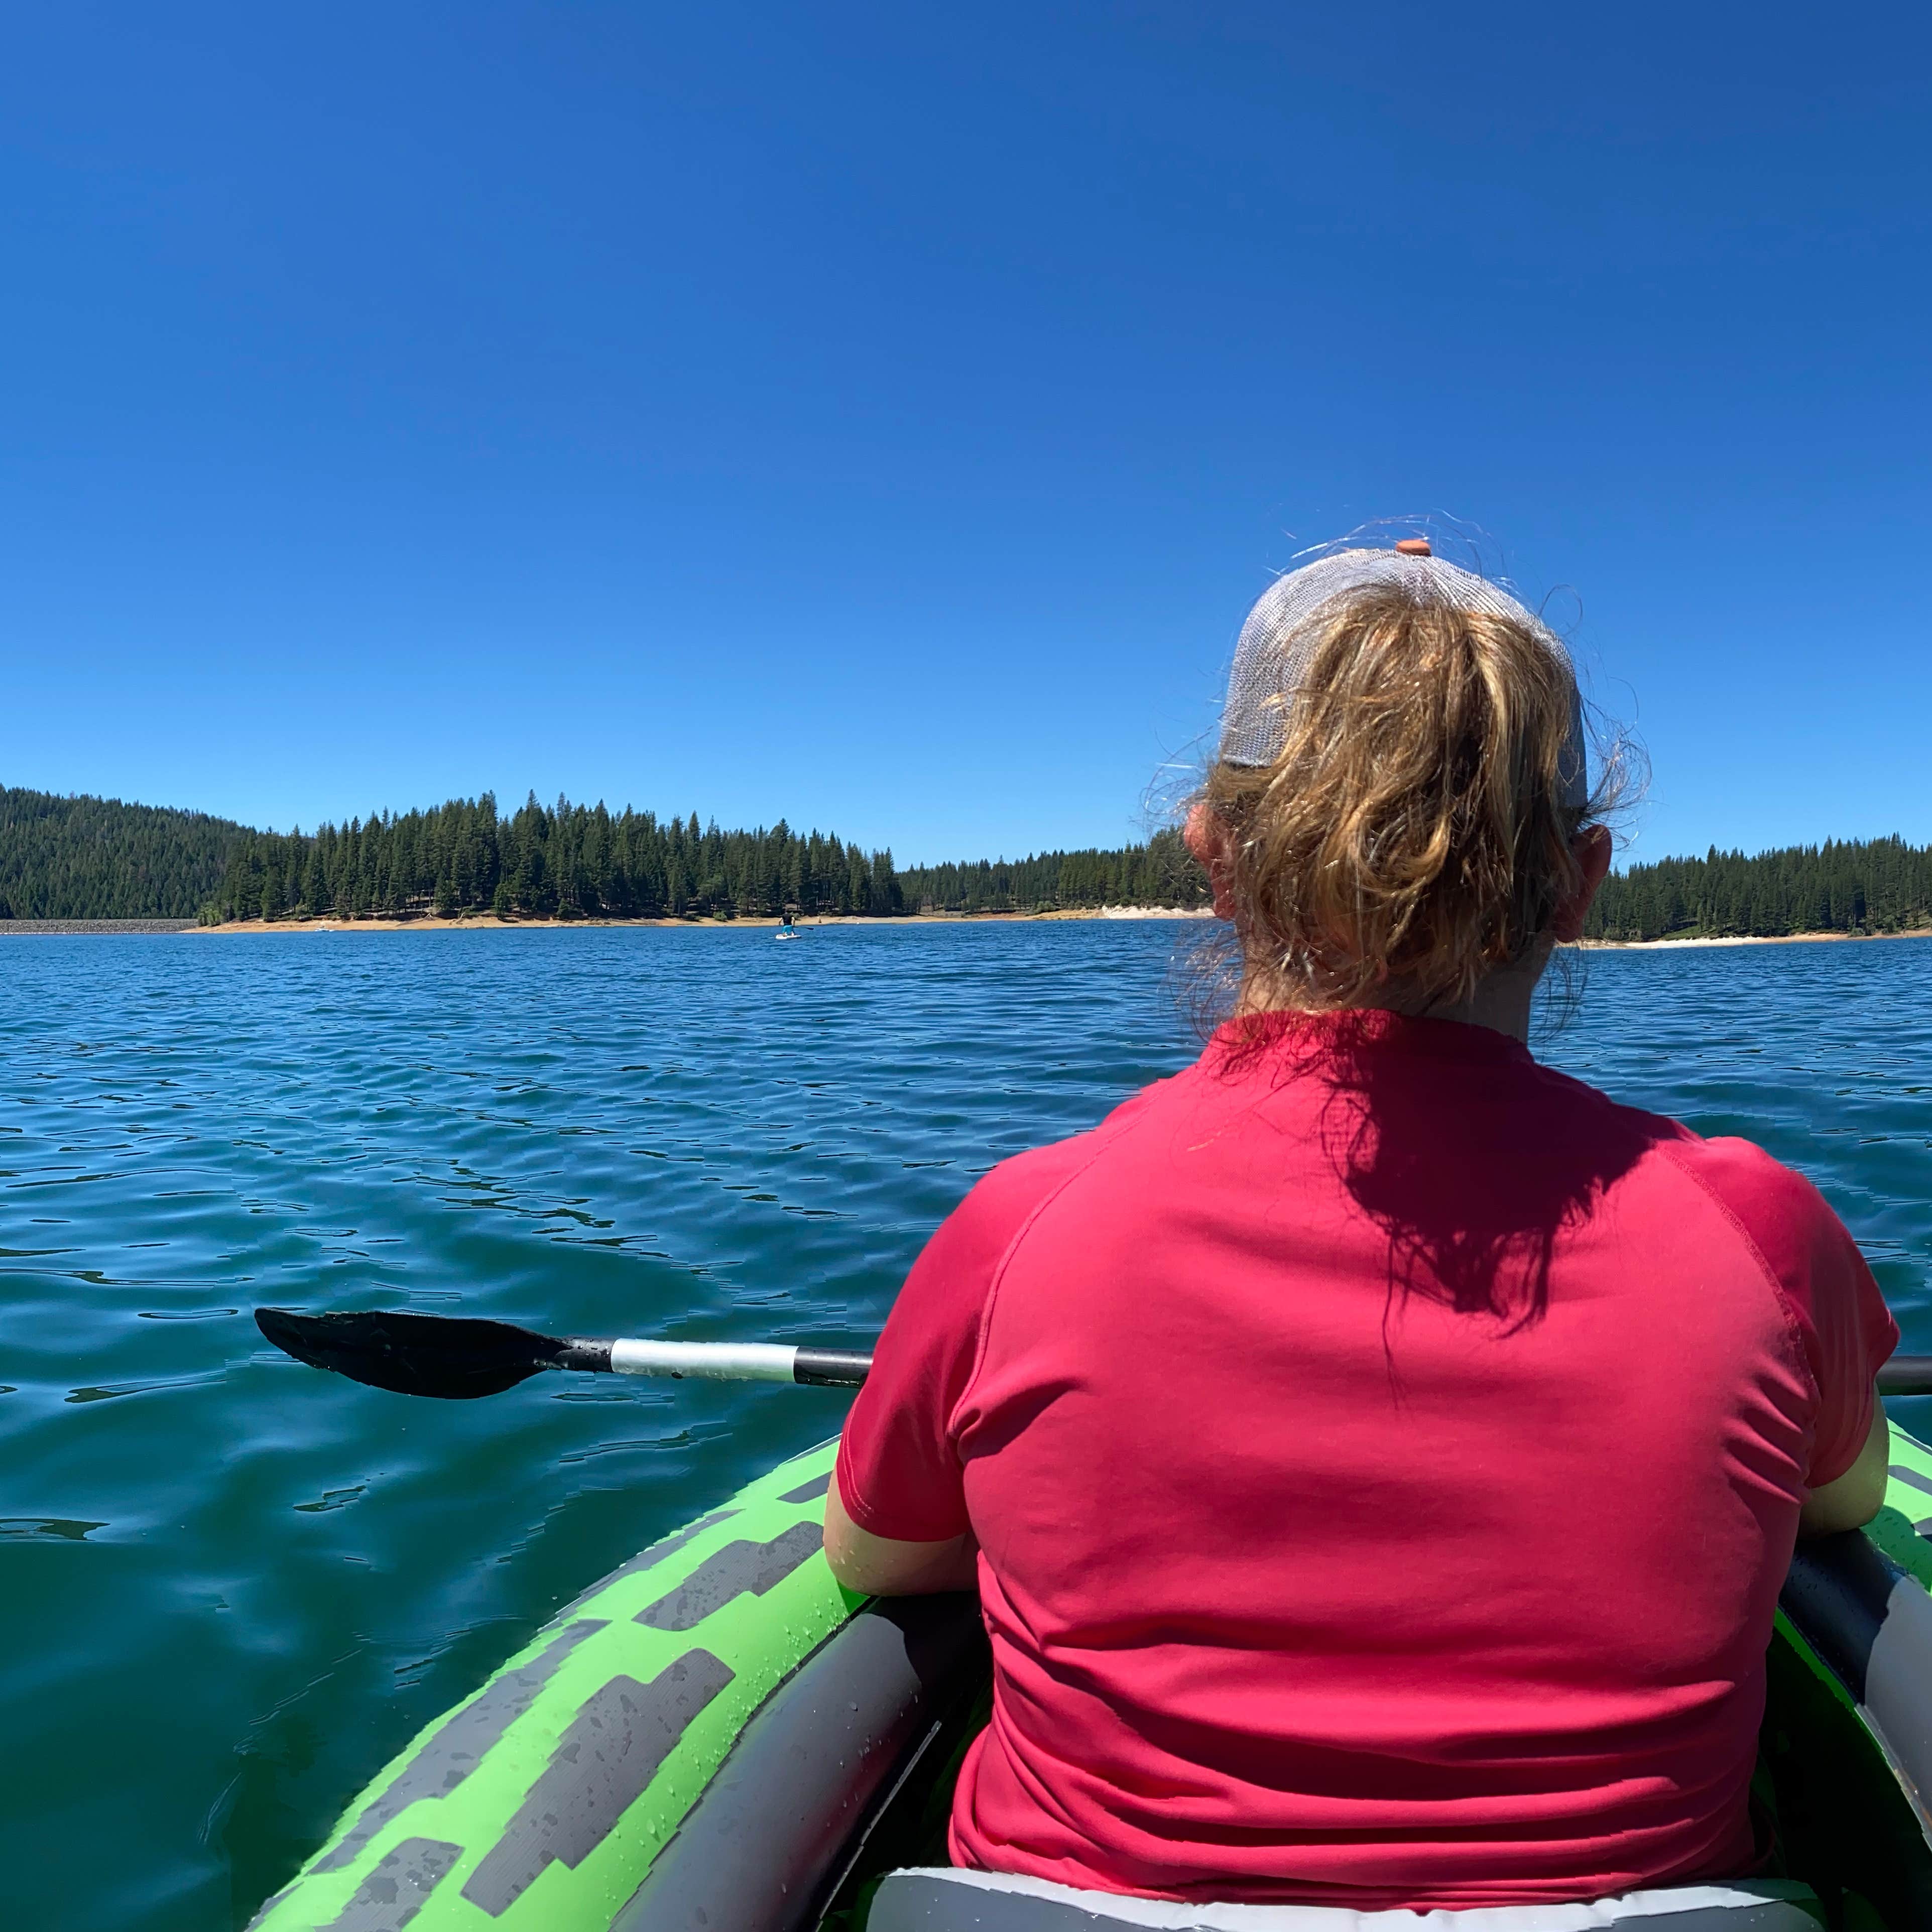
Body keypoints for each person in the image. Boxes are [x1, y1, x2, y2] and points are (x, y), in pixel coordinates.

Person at [823, 540, 1898, 1913]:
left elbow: (878, 1553)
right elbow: (1847, 1497)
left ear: (1215, 851)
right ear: (1579, 882)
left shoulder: (1024, 1227)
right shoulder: (1759, 1228)